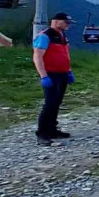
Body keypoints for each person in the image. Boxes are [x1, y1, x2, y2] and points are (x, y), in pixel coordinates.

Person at [32, 12, 75, 146]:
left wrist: (68, 71)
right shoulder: (45, 36)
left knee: (57, 102)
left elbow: (65, 54)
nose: (68, 25)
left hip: (62, 73)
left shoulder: (62, 35)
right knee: (49, 103)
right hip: (50, 73)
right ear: (56, 21)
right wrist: (43, 76)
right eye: (66, 22)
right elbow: (37, 56)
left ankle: (52, 129)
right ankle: (42, 133)